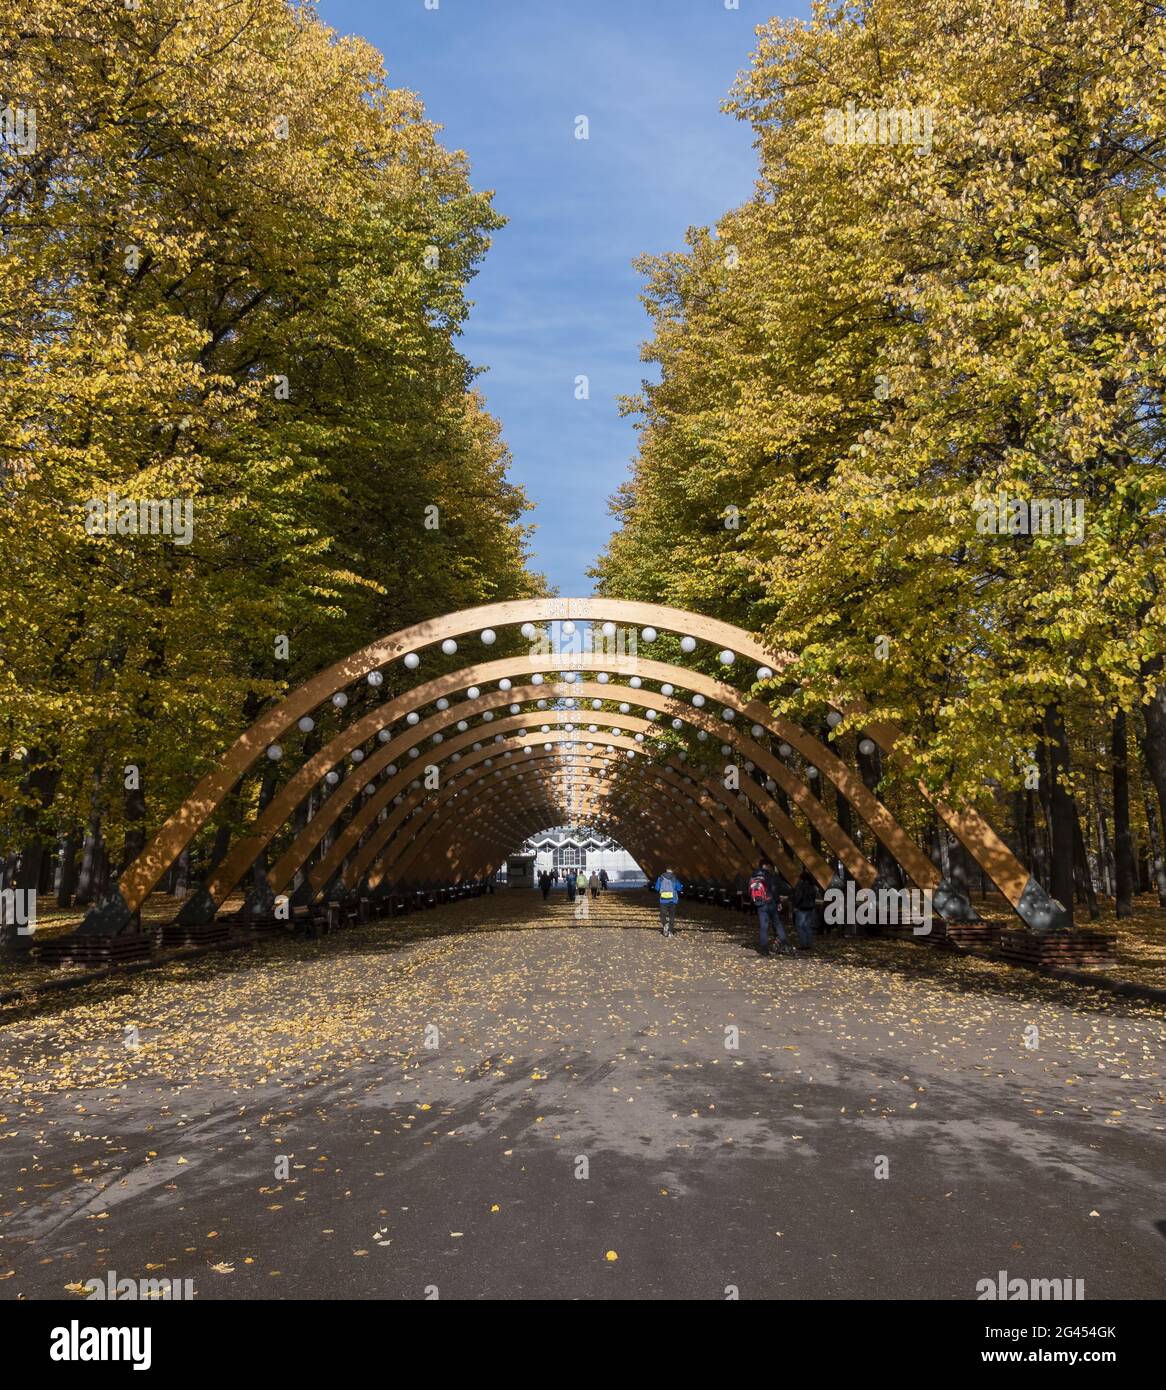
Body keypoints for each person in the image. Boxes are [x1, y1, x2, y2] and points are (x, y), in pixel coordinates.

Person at [749, 859, 791, 956]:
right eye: (770, 866)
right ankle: (785, 945)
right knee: (778, 925)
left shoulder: (753, 876)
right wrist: (778, 901)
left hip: (760, 905)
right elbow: (778, 889)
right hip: (771, 903)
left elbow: (749, 890)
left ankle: (764, 949)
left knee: (763, 927)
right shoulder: (771, 876)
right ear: (767, 865)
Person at [792, 868, 818, 951]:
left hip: (801, 908)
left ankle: (803, 944)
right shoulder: (812, 886)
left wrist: (795, 906)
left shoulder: (801, 885)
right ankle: (809, 943)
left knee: (800, 926)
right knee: (807, 926)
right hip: (810, 908)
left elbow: (798, 897)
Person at [654, 866, 683, 937]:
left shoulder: (660, 878)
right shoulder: (674, 878)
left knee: (662, 914)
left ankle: (665, 924)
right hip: (673, 900)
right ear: (672, 871)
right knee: (672, 916)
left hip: (663, 900)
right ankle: (670, 931)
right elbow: (679, 888)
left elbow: (657, 888)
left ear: (666, 870)